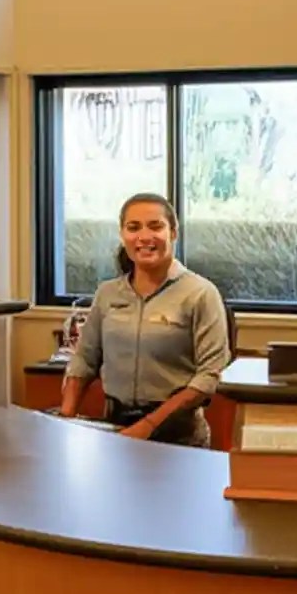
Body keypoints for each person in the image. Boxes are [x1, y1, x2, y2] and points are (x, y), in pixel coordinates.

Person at [60, 192, 231, 448]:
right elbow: (84, 360)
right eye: (133, 227)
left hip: (179, 437)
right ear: (122, 234)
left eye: (155, 226)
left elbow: (209, 377)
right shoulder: (107, 293)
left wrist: (148, 426)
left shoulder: (200, 294)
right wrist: (65, 420)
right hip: (116, 430)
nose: (144, 237)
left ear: (173, 233)